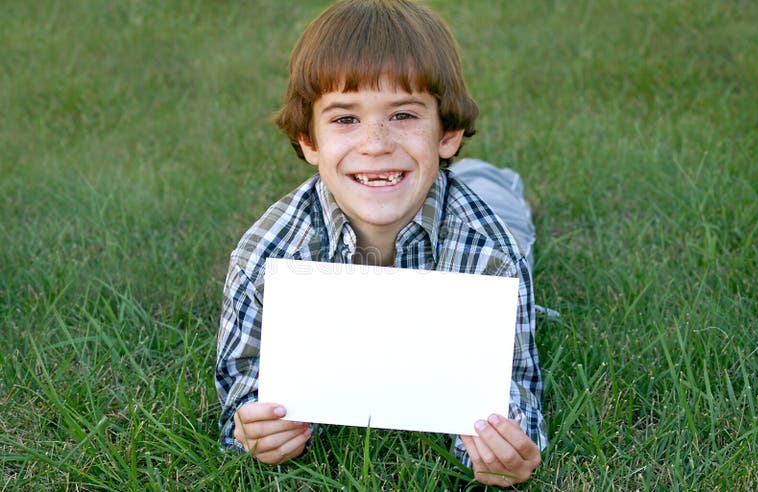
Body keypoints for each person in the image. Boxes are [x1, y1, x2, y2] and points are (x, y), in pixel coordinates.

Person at [215, 0, 547, 486]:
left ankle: (493, 177)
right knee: (408, 173)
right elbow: (241, 381)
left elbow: (516, 386)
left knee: (498, 195)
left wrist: (505, 443)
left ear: (449, 132)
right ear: (309, 141)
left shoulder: (493, 254)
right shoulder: (266, 254)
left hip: (477, 205)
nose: (375, 142)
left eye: (403, 115)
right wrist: (254, 429)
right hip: (408, 179)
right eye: (345, 119)